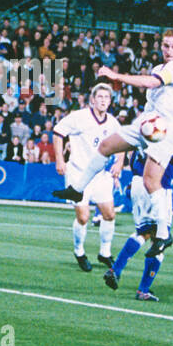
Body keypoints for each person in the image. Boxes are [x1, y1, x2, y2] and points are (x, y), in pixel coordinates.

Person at [53, 28, 173, 257]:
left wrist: (117, 77)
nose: (168, 50)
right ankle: (77, 190)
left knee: (150, 181)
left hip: (165, 129)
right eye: (165, 46)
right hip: (148, 123)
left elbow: (151, 83)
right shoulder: (159, 67)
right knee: (106, 146)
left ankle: (164, 234)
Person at [102, 145, 173, 301]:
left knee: (144, 232)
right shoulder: (166, 128)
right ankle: (143, 289)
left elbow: (129, 145)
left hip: (138, 182)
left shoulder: (145, 125)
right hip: (157, 185)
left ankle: (116, 270)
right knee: (160, 238)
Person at [52, 83, 124, 271]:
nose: (103, 101)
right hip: (78, 173)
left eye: (106, 98)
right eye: (99, 97)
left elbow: (122, 142)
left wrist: (119, 162)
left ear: (110, 101)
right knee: (83, 217)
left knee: (109, 214)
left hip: (101, 175)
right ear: (92, 100)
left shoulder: (113, 122)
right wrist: (59, 159)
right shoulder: (79, 117)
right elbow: (58, 133)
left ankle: (105, 253)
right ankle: (79, 252)